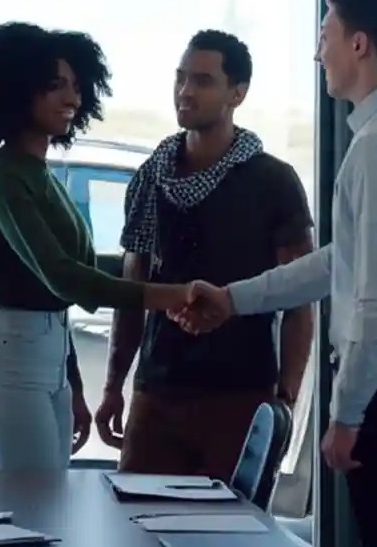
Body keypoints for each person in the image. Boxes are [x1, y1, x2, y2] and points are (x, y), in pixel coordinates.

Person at [174, 0, 377, 547]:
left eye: (324, 35)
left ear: (358, 45)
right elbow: (344, 262)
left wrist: (348, 415)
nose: (317, 52)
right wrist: (235, 299)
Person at [0, 21, 192, 471]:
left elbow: (58, 297)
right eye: (55, 87)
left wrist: (73, 386)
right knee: (34, 502)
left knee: (47, 500)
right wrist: (171, 295)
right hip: (10, 359)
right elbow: (63, 276)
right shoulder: (5, 176)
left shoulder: (40, 171)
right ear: (17, 91)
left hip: (43, 358)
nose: (73, 99)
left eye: (76, 86)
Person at [93, 30, 314, 481]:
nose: (186, 91)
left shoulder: (274, 181)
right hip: (158, 392)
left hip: (240, 395)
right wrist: (114, 386)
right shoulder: (151, 177)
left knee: (228, 541)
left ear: (238, 92)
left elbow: (300, 297)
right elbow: (133, 292)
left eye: (203, 81)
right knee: (138, 529)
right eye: (180, 78)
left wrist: (286, 399)